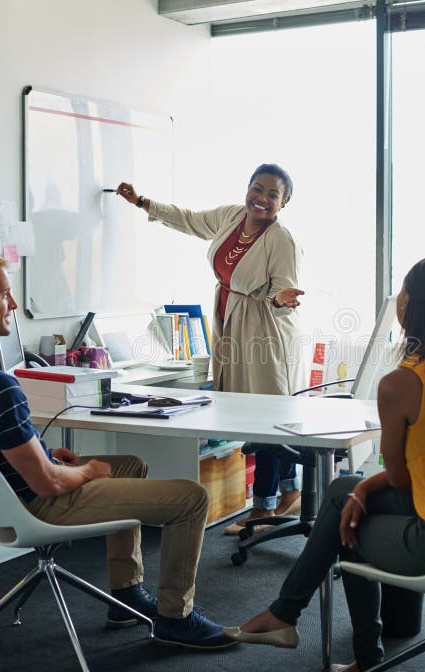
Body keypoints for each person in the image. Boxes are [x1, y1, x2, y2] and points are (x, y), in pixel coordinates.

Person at [0, 250, 236, 650]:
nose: (14, 305)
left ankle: (126, 595)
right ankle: (177, 617)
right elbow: (51, 483)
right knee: (191, 498)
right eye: (4, 294)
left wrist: (45, 451)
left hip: (5, 494)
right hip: (38, 503)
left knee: (131, 465)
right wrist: (86, 472)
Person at [221, 257, 425, 671]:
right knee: (345, 491)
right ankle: (294, 621)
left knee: (348, 526)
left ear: (412, 307)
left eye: (404, 293)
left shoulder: (403, 383)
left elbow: (404, 479)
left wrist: (363, 492)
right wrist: (362, 488)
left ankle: (305, 626)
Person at [117, 164, 306, 534]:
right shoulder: (230, 217)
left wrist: (282, 298)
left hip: (264, 330)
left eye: (272, 194)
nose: (261, 198)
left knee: (265, 417)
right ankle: (290, 492)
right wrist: (142, 202)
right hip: (230, 320)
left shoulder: (281, 239)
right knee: (251, 412)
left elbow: (282, 291)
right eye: (257, 188)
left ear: (283, 203)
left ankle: (264, 508)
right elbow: (189, 220)